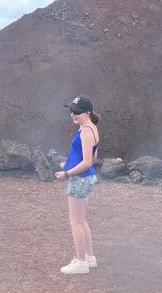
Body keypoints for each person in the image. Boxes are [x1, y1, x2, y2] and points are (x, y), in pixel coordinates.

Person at [54, 96, 99, 275]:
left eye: (77, 112)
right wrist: (69, 163)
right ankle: (89, 257)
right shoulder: (91, 128)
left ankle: (81, 262)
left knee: (75, 221)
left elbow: (88, 162)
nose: (73, 114)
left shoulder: (86, 132)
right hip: (86, 178)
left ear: (87, 113)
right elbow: (91, 157)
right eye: (72, 111)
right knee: (81, 220)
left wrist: (67, 173)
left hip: (80, 178)